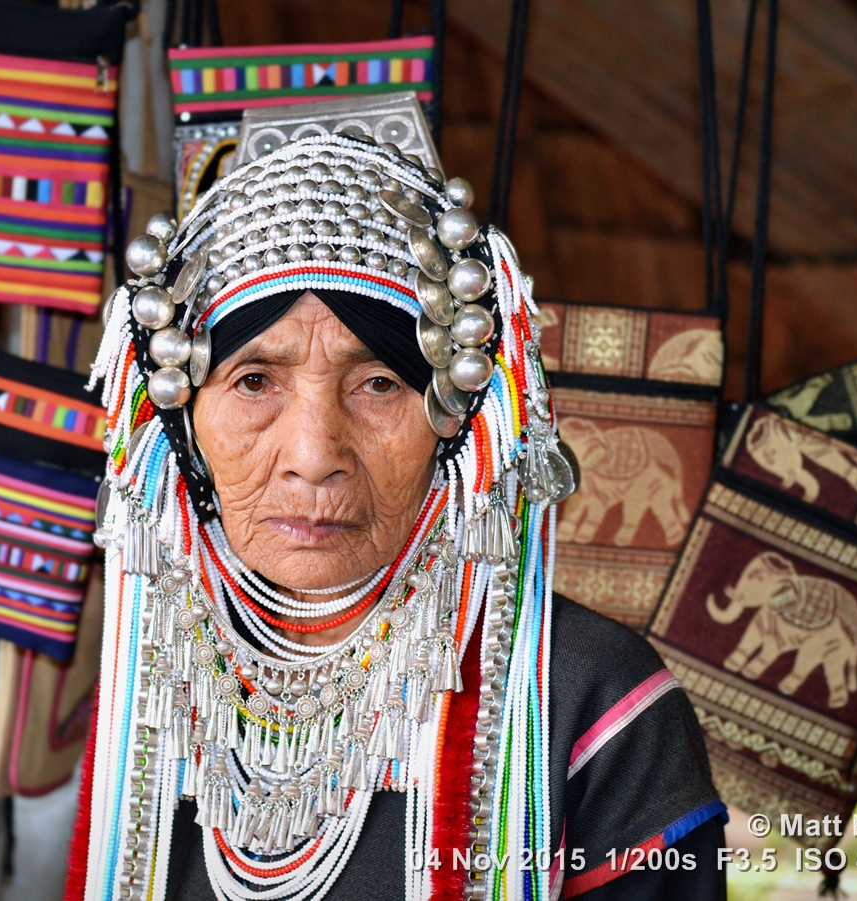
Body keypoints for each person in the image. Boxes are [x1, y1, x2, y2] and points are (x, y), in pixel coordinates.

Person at [74, 107, 727, 901]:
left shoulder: (590, 705)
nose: (314, 454)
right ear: (180, 421)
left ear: (457, 420)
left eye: (380, 383)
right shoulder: (157, 684)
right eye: (254, 381)